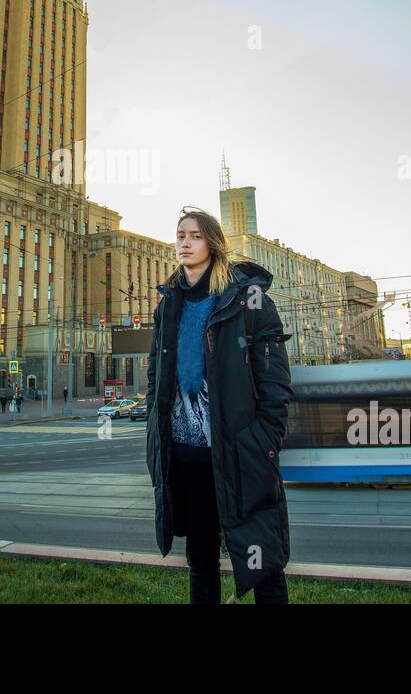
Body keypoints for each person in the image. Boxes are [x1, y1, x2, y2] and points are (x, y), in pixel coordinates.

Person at [145, 206, 293, 604]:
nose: (185, 243)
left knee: (263, 562)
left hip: (240, 452)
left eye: (194, 235)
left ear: (212, 242)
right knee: (201, 560)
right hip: (187, 455)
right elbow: (156, 375)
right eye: (179, 235)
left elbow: (274, 379)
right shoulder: (169, 304)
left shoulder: (247, 298)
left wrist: (263, 437)